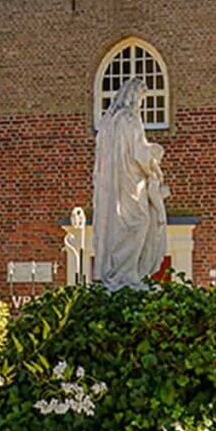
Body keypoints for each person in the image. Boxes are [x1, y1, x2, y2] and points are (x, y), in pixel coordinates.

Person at [91, 78, 170, 291]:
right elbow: (139, 154)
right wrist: (155, 168)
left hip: (114, 186)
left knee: (118, 227)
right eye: (141, 100)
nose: (141, 105)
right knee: (140, 222)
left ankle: (117, 272)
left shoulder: (109, 122)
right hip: (130, 183)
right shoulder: (130, 120)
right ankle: (127, 275)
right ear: (134, 97)